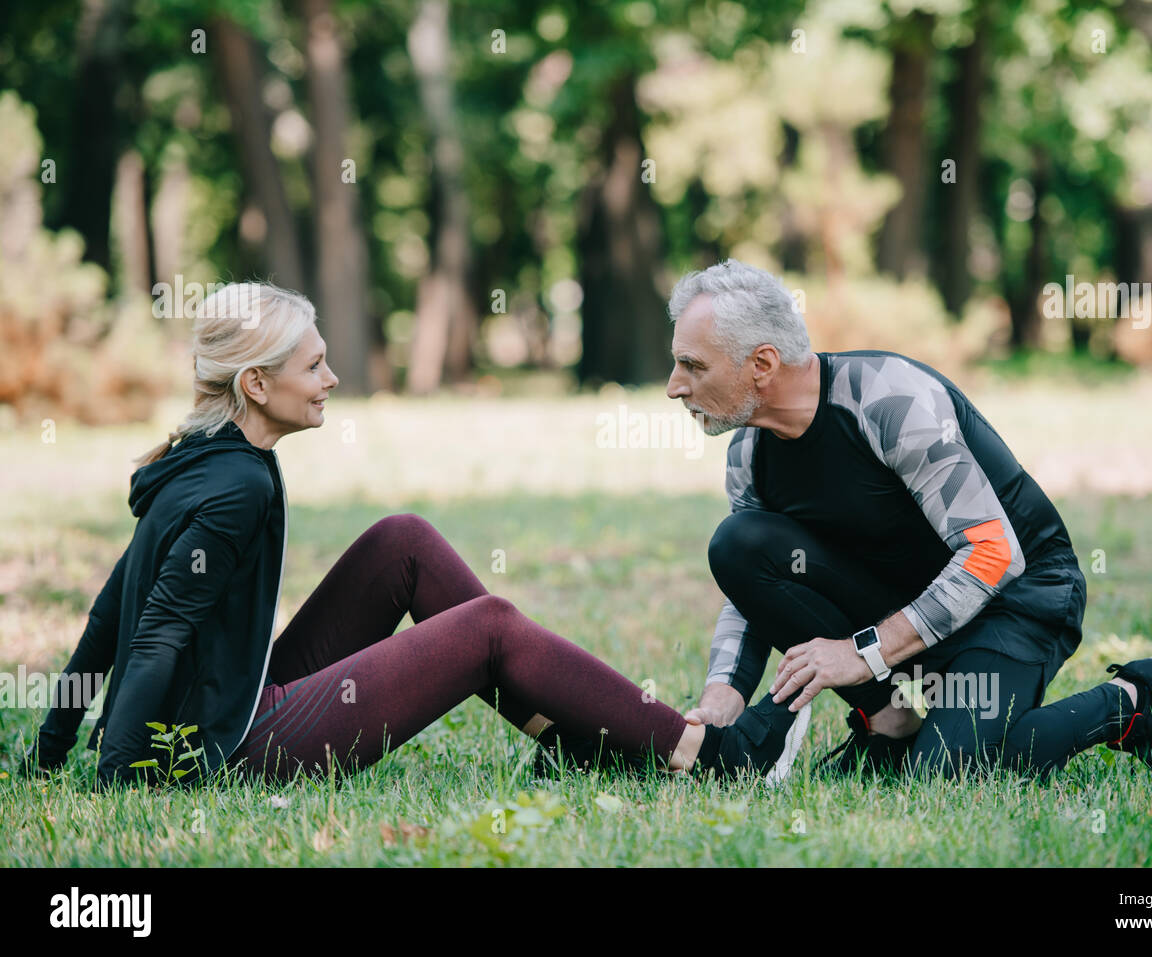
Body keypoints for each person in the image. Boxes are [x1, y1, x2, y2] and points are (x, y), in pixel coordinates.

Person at [23, 282, 811, 790]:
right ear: (256, 384)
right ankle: (707, 758)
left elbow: (106, 610)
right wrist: (117, 780)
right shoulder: (236, 485)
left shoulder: (200, 456)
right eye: (314, 365)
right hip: (226, 749)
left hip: (227, 706)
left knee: (403, 541)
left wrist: (47, 750)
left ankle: (578, 738)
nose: (331, 379)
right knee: (490, 627)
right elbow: (152, 634)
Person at [665, 259, 1152, 783]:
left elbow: (993, 553)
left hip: (1017, 599)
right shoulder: (749, 453)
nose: (675, 385)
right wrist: (721, 695)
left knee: (942, 773)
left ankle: (1135, 701)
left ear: (762, 364)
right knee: (739, 542)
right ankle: (889, 721)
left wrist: (860, 653)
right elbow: (751, 584)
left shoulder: (889, 402)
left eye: (692, 365)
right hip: (905, 605)